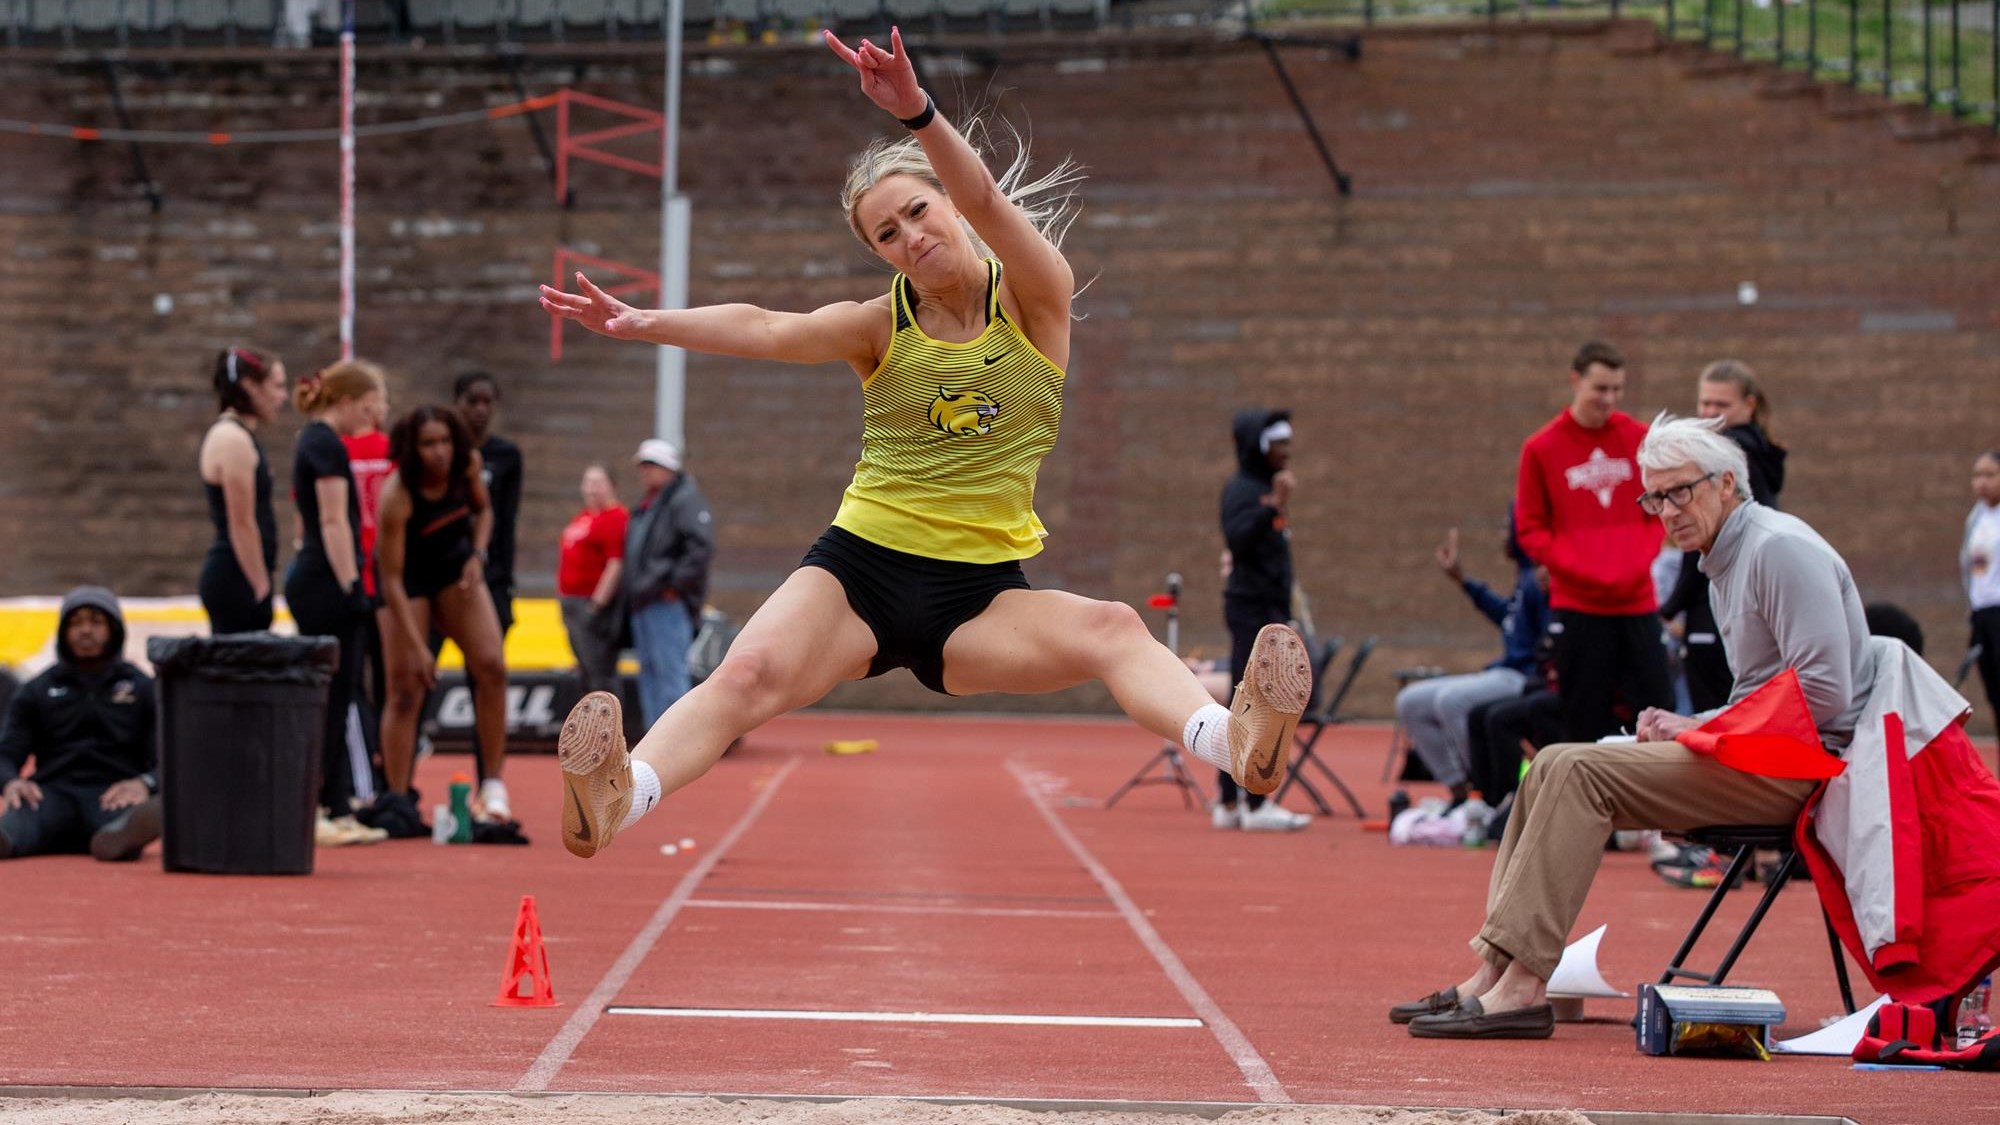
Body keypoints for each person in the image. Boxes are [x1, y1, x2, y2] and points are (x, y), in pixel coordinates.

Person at [537, 28, 1314, 860]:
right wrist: (642, 321)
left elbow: (985, 201)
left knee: (1114, 628)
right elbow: (768, 326)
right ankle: (624, 794)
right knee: (746, 678)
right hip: (859, 570)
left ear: (945, 203)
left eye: (918, 209)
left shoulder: (1036, 300)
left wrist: (916, 111)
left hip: (978, 596)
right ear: (877, 253)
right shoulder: (878, 328)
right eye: (886, 234)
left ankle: (1237, 746)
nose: (910, 236)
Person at [1393, 414, 1870, 1039]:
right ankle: (1496, 970)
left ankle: (1525, 983)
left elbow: (1825, 694)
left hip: (1803, 772)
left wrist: (1704, 727)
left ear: (1727, 483)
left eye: (1680, 492)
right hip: (1765, 755)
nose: (1666, 510)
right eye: (1654, 497)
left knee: (1580, 771)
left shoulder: (1776, 548)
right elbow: (1763, 694)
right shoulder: (1725, 557)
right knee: (1555, 761)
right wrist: (1692, 724)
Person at [1513, 340, 1673, 743]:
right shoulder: (1541, 448)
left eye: (1617, 389)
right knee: (1582, 721)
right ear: (1576, 381)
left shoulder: (1639, 437)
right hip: (1579, 606)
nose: (1609, 398)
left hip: (1637, 602)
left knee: (1658, 715)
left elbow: (1659, 510)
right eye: (1600, 389)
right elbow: (1530, 527)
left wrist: (1639, 558)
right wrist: (1583, 567)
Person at [369, 404, 509, 832]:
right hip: (407, 581)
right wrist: (417, 646)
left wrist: (478, 555)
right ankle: (397, 798)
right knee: (406, 687)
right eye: (429, 444)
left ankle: (492, 783)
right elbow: (390, 579)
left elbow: (484, 512)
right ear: (413, 448)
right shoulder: (398, 494)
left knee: (492, 666)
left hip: (454, 568)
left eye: (445, 441)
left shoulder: (467, 464)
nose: (439, 452)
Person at [285, 360, 389, 848]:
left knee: (340, 695)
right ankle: (324, 806)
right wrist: (354, 585)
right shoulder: (324, 443)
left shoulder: (317, 441)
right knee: (335, 696)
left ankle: (336, 804)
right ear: (345, 402)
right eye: (366, 409)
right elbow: (331, 522)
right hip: (325, 583)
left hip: (320, 579)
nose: (368, 421)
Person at [1659, 360, 1788, 712]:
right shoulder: (1762, 452)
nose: (1711, 414)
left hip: (1714, 607)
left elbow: (1701, 537)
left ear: (1749, 405)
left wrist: (1670, 607)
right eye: (1705, 404)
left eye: (1722, 405)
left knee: (1715, 714)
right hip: (1733, 600)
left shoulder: (1730, 457)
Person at [1395, 517, 1549, 808]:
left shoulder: (1542, 576)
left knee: (1452, 701)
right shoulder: (1524, 575)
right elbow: (1508, 618)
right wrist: (1463, 580)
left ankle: (1487, 793)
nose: (1501, 535)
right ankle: (1459, 791)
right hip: (1504, 669)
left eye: (1506, 528)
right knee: (1410, 701)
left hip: (1526, 676)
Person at [0, 587, 162, 862]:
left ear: (114, 630)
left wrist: (145, 784)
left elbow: (169, 757)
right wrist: (11, 783)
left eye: (96, 622)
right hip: (51, 795)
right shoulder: (37, 689)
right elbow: (6, 753)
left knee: (126, 817)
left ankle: (119, 839)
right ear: (63, 631)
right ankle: (6, 838)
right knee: (21, 818)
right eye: (76, 623)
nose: (85, 630)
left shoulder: (143, 688)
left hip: (113, 795)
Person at [1215, 409, 1310, 832]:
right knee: (1256, 704)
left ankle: (1232, 802)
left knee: (1251, 704)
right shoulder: (1244, 489)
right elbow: (1237, 538)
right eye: (1279, 445)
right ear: (1259, 446)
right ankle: (1250, 804)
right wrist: (1275, 504)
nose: (1286, 453)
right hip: (1251, 609)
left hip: (1266, 607)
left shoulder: (1263, 488)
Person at [622, 439, 714, 725]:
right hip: (646, 601)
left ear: (668, 467)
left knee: (670, 677)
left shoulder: (684, 499)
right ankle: (656, 749)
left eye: (651, 465)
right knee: (649, 676)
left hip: (666, 603)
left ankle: (677, 750)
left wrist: (674, 587)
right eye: (642, 466)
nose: (644, 471)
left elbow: (700, 548)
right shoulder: (650, 504)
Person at [197, 347, 288, 634]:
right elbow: (242, 523)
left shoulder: (241, 436)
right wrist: (260, 585)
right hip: (235, 577)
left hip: (240, 574)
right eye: (277, 386)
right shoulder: (232, 439)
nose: (283, 397)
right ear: (249, 386)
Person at [559, 463, 631, 700]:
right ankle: (588, 729)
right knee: (585, 670)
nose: (592, 488)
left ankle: (609, 727)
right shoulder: (584, 517)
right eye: (588, 482)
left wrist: (596, 605)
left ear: (612, 486)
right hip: (571, 601)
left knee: (601, 672)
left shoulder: (615, 518)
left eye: (599, 482)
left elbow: (615, 563)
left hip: (591, 603)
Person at [1962, 450, 2000, 728]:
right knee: (1994, 692)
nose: (1981, 482)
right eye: (1977, 476)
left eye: (1989, 475)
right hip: (1982, 612)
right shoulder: (1976, 517)